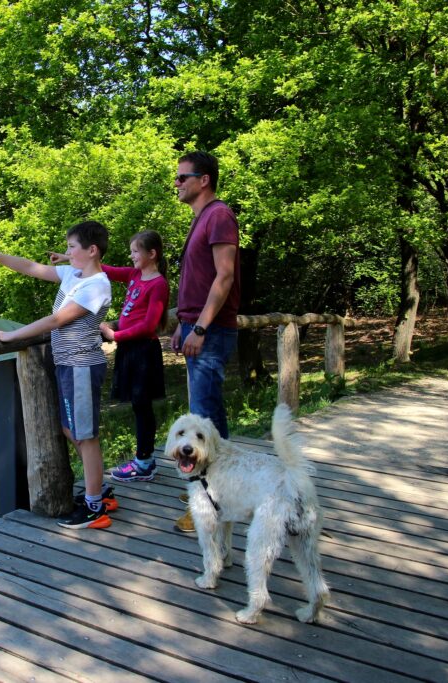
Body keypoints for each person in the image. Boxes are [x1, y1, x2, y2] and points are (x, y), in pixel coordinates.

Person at [0, 220, 114, 530]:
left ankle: (94, 506)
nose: (66, 252)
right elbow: (30, 267)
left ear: (92, 250)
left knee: (85, 436)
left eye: (72, 247)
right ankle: (96, 492)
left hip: (81, 367)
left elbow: (56, 320)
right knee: (73, 430)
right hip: (70, 367)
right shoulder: (74, 275)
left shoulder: (96, 285)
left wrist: (13, 335)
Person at [53, 231, 170, 481]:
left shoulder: (158, 284)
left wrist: (116, 335)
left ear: (152, 254)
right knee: (137, 405)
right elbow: (103, 268)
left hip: (143, 352)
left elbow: (150, 326)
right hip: (130, 349)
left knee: (142, 405)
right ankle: (144, 459)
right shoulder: (135, 274)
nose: (132, 255)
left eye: (136, 251)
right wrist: (68, 257)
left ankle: (145, 461)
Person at [171, 151, 241, 532]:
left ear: (205, 180)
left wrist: (199, 328)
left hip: (210, 333)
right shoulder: (202, 219)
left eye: (183, 177)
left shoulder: (218, 215)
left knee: (204, 422)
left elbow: (224, 276)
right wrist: (185, 323)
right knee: (207, 417)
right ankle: (215, 491)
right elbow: (197, 284)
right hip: (199, 328)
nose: (177, 184)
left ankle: (211, 504)